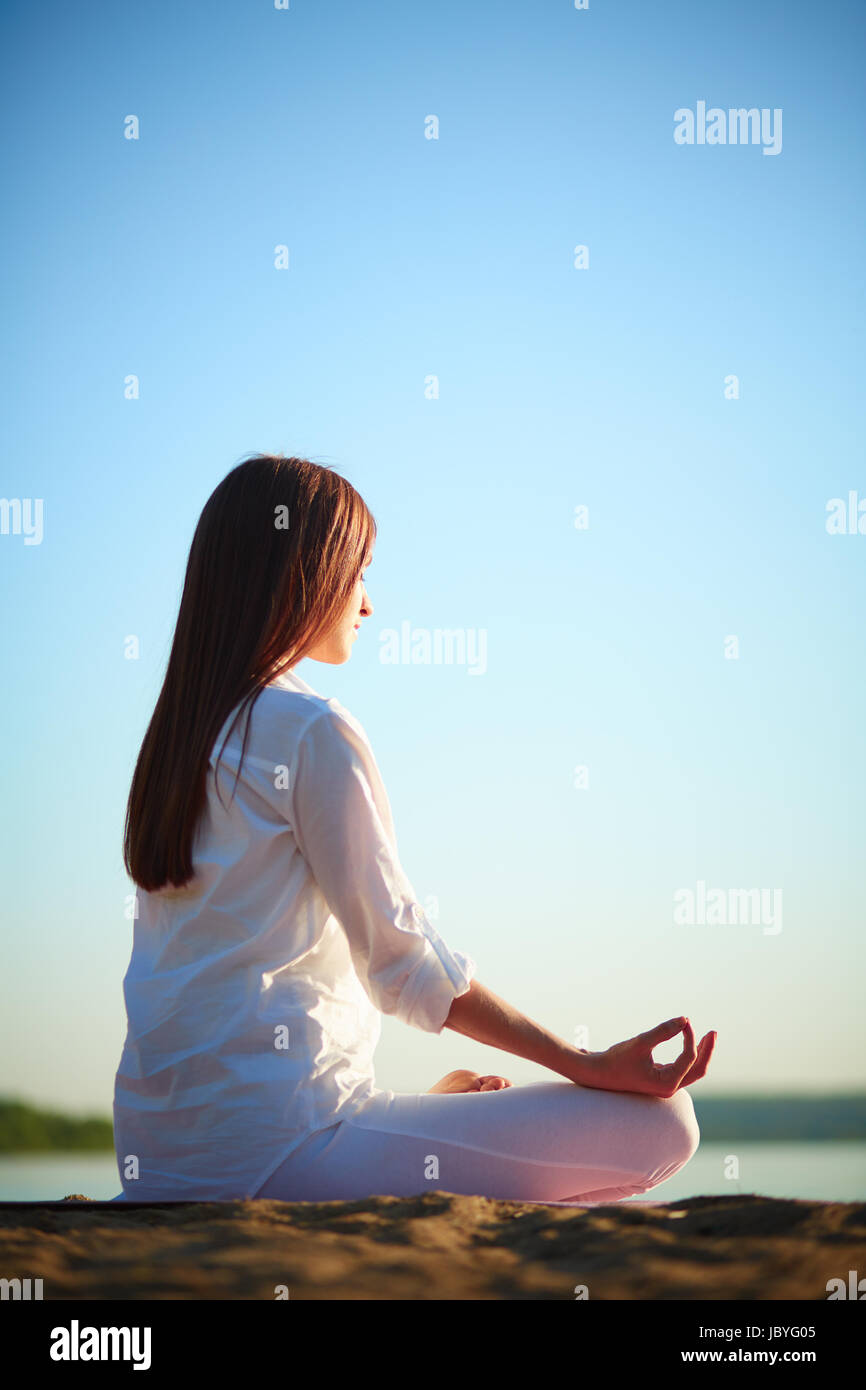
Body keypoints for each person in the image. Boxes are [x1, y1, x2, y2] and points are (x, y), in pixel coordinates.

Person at [112, 453, 715, 1206]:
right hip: (281, 1151)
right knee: (668, 1125)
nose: (368, 604)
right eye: (360, 572)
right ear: (305, 572)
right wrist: (585, 1062)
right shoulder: (310, 732)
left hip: (158, 1161)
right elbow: (404, 965)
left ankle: (393, 1142)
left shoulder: (179, 744)